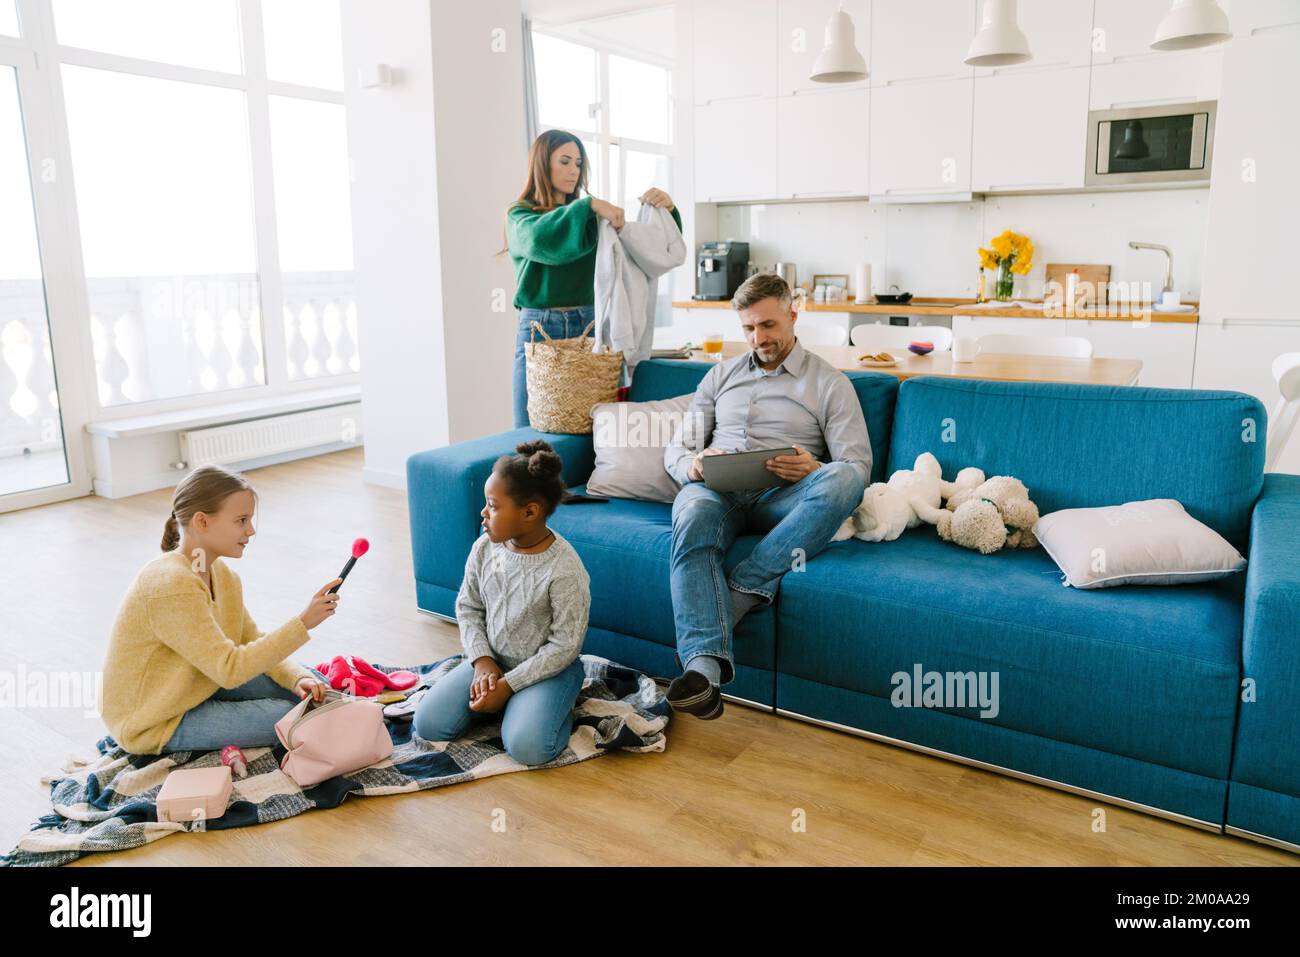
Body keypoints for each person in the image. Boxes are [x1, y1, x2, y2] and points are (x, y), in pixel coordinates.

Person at [661, 272, 872, 720]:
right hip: (718, 492)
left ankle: (747, 584)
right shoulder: (719, 376)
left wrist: (813, 467)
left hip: (786, 499)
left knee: (843, 481)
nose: (759, 338)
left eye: (769, 326)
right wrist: (694, 464)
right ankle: (703, 675)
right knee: (691, 514)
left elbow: (857, 466)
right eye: (749, 329)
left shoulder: (830, 383)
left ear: (794, 315)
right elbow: (677, 448)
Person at [100, 465, 337, 755]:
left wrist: (297, 678)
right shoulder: (171, 585)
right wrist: (303, 623)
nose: (251, 530)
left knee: (316, 689)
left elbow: (250, 640)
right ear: (202, 522)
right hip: (156, 719)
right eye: (241, 520)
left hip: (200, 682)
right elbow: (230, 670)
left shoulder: (222, 575)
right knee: (297, 717)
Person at [413, 440, 592, 766]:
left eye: (493, 506)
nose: (483, 513)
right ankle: (506, 704)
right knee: (428, 724)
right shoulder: (484, 548)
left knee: (529, 749)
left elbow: (565, 645)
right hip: (491, 663)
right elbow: (468, 608)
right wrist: (482, 660)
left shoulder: (564, 569)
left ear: (530, 512)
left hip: (547, 670)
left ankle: (549, 705)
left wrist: (510, 685)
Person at [504, 129, 681, 427]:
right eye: (564, 161)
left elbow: (646, 251)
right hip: (539, 329)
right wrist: (589, 205)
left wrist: (669, 210)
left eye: (578, 163)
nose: (574, 170)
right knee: (530, 427)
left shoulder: (592, 220)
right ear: (542, 164)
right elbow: (541, 241)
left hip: (591, 325)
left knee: (595, 429)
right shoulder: (521, 216)